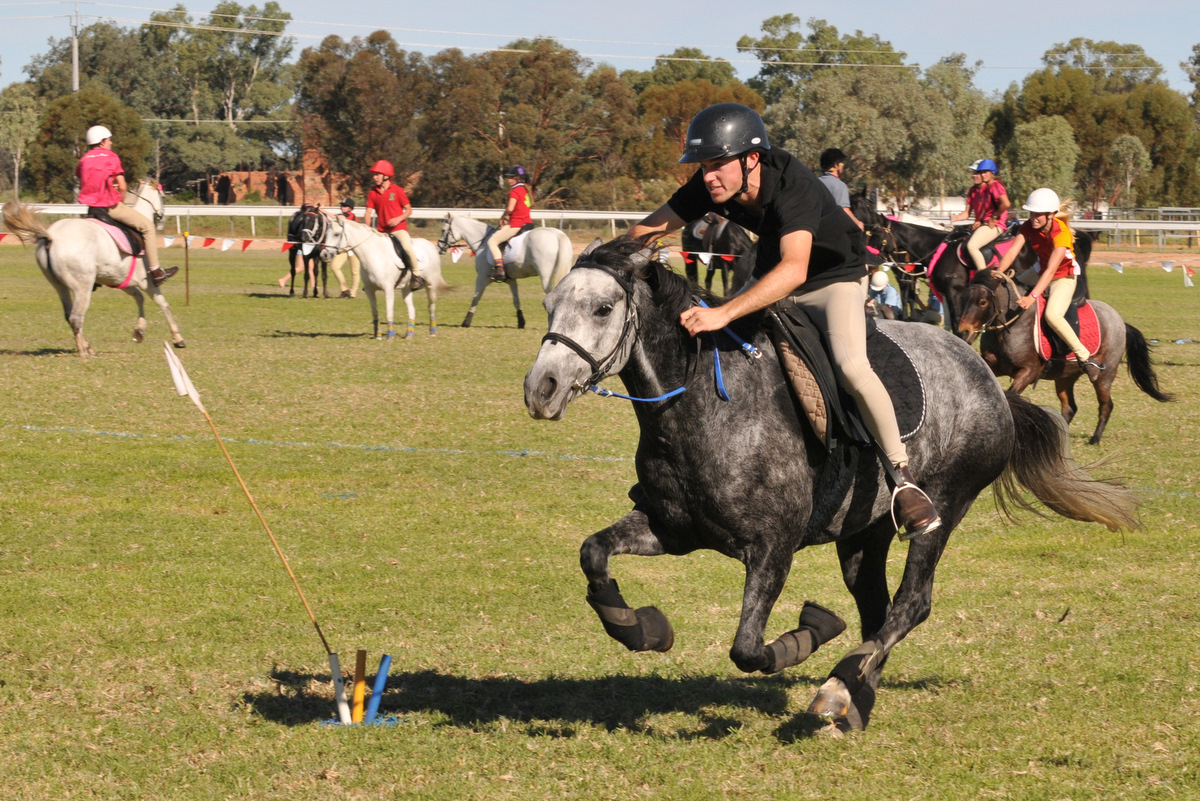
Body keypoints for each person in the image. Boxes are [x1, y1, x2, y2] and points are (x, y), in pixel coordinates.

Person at [629, 102, 941, 540]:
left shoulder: (791, 181)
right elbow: (644, 231)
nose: (708, 176)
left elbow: (797, 270)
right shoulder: (712, 184)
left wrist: (722, 312)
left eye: (717, 164)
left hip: (831, 279)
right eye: (703, 166)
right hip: (773, 277)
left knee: (851, 367)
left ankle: (903, 479)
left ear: (751, 158)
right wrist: (602, 263)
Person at [996, 188, 1106, 381]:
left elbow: (1051, 271)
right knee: (1011, 290)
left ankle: (1085, 357)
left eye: (1038, 214)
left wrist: (1032, 297)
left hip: (1063, 277)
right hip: (1040, 270)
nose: (1033, 218)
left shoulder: (1061, 234)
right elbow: (1012, 252)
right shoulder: (1028, 226)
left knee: (1052, 315)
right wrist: (998, 272)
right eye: (1031, 213)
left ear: (1051, 215)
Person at [76, 125, 176, 286]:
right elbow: (122, 186)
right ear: (101, 142)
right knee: (148, 227)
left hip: (91, 210)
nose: (111, 143)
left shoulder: (83, 160)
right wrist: (119, 200)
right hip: (110, 207)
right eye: (109, 140)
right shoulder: (111, 157)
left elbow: (88, 182)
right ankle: (156, 271)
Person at [364, 159, 423, 290]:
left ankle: (417, 275)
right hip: (382, 231)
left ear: (386, 176)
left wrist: (398, 219)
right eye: (374, 175)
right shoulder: (373, 193)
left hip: (398, 229)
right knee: (369, 251)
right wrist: (367, 229)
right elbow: (368, 213)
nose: (374, 177)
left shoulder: (397, 191)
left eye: (377, 174)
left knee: (407, 248)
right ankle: (370, 279)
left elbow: (409, 210)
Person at [955, 158, 1010, 273]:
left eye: (985, 172)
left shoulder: (995, 185)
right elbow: (985, 210)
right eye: (981, 172)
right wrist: (979, 221)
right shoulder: (987, 189)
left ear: (992, 173)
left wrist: (994, 217)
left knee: (972, 246)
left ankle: (983, 275)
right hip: (985, 225)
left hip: (996, 225)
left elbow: (1006, 203)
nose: (982, 175)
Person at [486, 165, 533, 281]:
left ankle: (499, 269)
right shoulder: (526, 190)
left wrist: (504, 216)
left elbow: (510, 208)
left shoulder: (515, 191)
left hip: (516, 224)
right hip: (528, 223)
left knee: (492, 241)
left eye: (510, 177)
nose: (508, 180)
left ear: (517, 178)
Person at [817, 147, 863, 231]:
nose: (843, 165)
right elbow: (844, 211)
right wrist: (858, 223)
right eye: (841, 163)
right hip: (831, 232)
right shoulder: (839, 185)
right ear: (836, 165)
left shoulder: (815, 182)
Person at [329, 198, 362, 298]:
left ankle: (353, 293)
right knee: (334, 267)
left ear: (350, 208)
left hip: (353, 247)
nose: (342, 207)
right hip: (344, 247)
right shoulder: (341, 216)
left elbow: (337, 217)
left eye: (344, 206)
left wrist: (322, 210)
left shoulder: (351, 216)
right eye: (342, 205)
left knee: (355, 271)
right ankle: (345, 289)